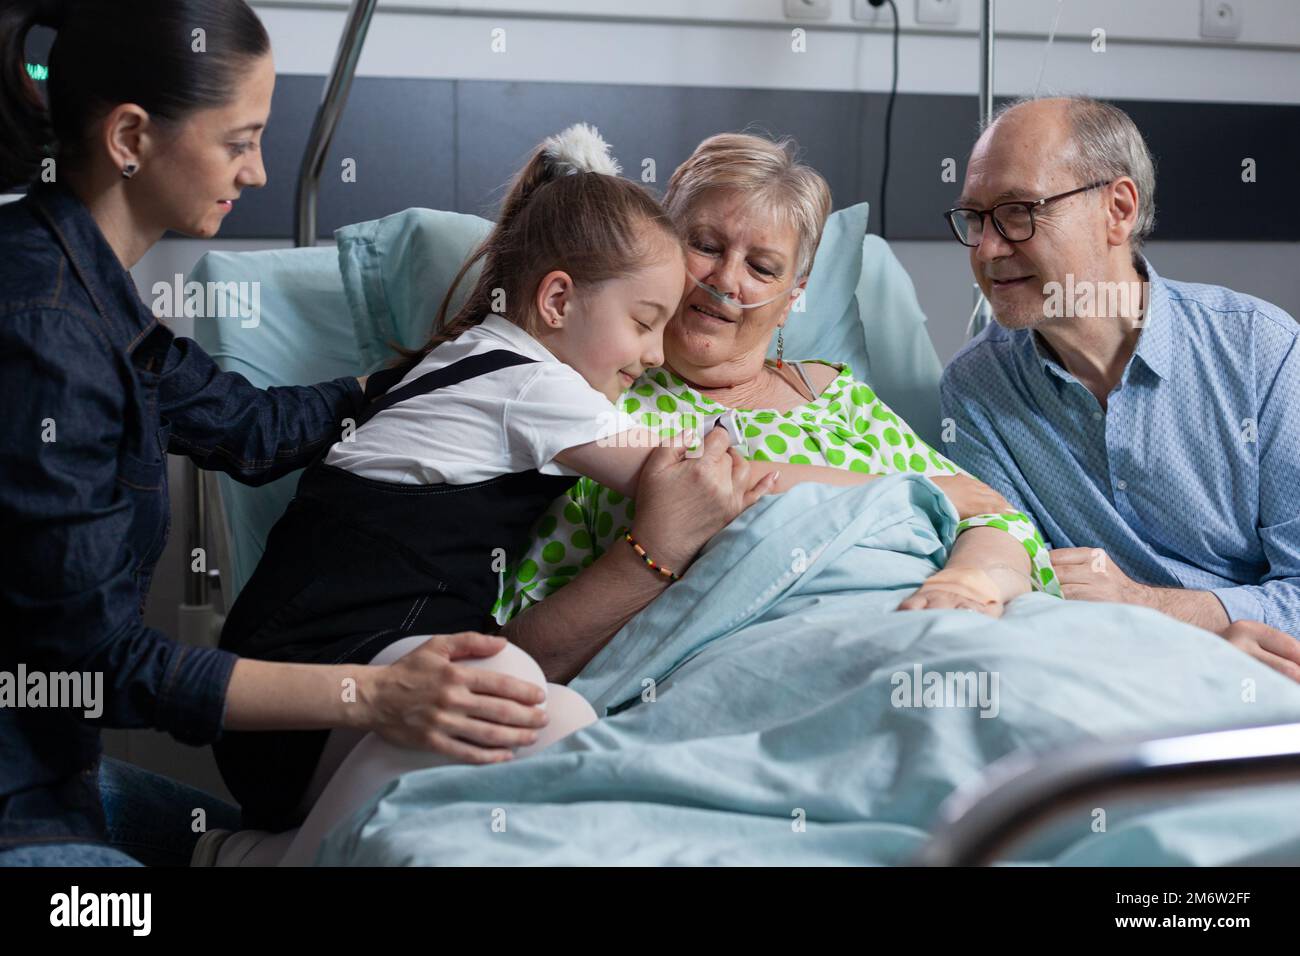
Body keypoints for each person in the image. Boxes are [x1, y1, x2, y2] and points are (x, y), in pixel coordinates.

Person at [0, 0, 551, 866]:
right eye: (238, 139)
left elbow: (248, 428)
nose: (257, 171)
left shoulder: (84, 284)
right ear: (131, 137)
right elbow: (102, 663)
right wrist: (376, 696)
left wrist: (418, 379)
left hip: (50, 769)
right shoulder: (44, 329)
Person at [494, 132, 1061, 685]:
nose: (726, 281)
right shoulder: (597, 402)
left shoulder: (838, 400)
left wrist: (965, 583)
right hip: (771, 671)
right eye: (706, 246)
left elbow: (998, 516)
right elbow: (524, 653)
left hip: (939, 634)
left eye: (762, 268)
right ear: (659, 246)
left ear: (794, 298)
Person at [939, 95, 1300, 676]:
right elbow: (1018, 573)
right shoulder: (977, 390)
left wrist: (1157, 609)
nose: (987, 249)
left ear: (1119, 208)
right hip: (1104, 676)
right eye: (975, 219)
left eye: (1016, 211)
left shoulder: (1263, 353)